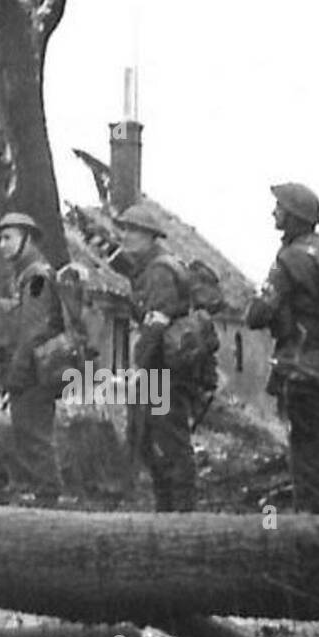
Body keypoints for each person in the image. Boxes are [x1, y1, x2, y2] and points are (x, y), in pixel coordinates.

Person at [245, 182, 319, 513]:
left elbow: (258, 314)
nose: (274, 212)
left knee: (304, 450)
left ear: (294, 217)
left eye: (280, 207)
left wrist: (258, 302)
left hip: (300, 368)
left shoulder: (291, 259)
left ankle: (314, 529)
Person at [116, 204, 197, 513]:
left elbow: (157, 321)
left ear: (151, 237)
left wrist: (139, 364)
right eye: (124, 229)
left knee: (169, 440)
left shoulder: (160, 271)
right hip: (157, 370)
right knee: (148, 439)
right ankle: (167, 509)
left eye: (134, 231)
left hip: (161, 372)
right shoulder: (150, 269)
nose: (126, 236)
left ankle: (182, 512)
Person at [0, 211, 66, 505]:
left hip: (35, 372)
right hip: (31, 369)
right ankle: (44, 495)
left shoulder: (36, 277)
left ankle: (47, 498)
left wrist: (16, 373)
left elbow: (33, 330)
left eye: (9, 237)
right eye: (0, 239)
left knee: (33, 435)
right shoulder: (24, 276)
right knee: (28, 433)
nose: (2, 245)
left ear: (28, 239)